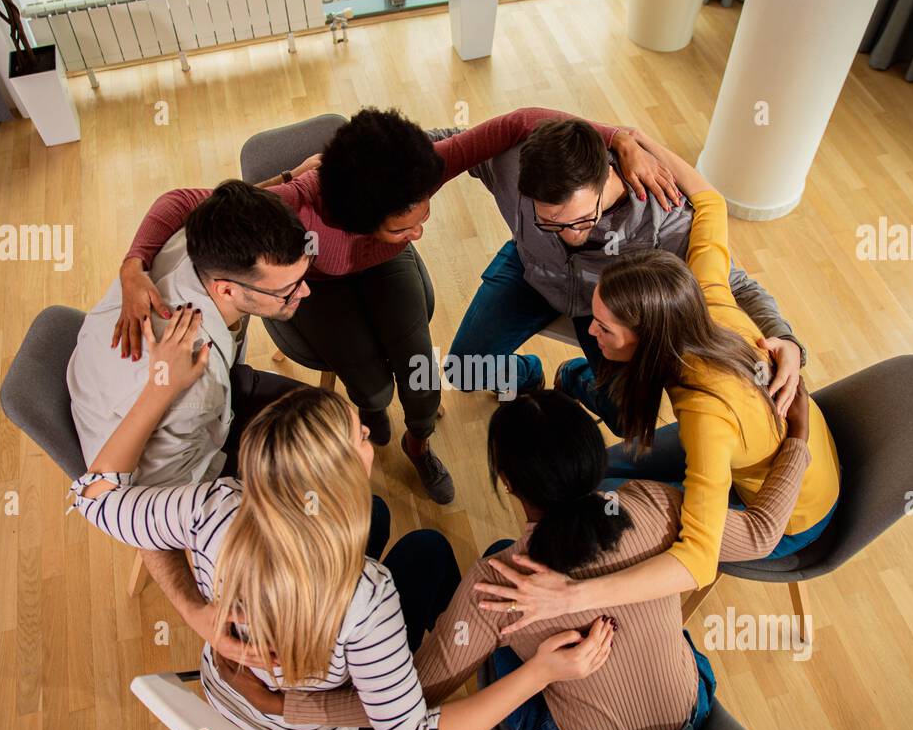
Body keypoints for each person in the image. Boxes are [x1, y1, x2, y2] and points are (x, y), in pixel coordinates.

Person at [69, 321, 614, 730]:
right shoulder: (367, 598)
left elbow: (96, 497)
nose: (369, 440)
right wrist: (541, 672)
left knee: (377, 516)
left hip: (225, 686)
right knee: (427, 550)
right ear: (337, 477)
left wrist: (158, 387)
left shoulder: (214, 504)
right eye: (360, 436)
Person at [232, 389, 812, 730]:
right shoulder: (653, 505)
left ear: (506, 482)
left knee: (497, 643)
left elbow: (416, 698)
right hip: (693, 719)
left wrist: (286, 702)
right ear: (593, 455)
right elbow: (762, 533)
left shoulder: (497, 585)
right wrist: (799, 438)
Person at [110, 107, 678, 504]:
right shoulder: (300, 198)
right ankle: (375, 424)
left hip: (381, 268)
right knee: (370, 385)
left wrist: (618, 135)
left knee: (421, 373)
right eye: (406, 225)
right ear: (362, 219)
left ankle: (419, 441)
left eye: (424, 214)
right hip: (321, 282)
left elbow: (521, 121)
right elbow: (183, 200)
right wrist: (133, 264)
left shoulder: (417, 173)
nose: (422, 230)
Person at [470, 154, 841, 629]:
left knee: (604, 512)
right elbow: (709, 202)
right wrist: (632, 140)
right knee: (594, 480)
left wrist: (571, 596)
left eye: (603, 328)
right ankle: (577, 387)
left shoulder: (706, 414)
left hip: (786, 512)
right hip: (792, 449)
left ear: (647, 340)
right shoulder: (705, 296)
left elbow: (697, 560)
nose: (591, 333)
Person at [68, 180, 314, 666]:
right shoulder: (190, 394)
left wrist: (291, 179)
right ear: (225, 288)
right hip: (169, 459)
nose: (304, 291)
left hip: (176, 406)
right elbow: (148, 508)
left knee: (321, 421)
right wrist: (194, 608)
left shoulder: (196, 234)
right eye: (288, 289)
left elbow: (180, 195)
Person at [447, 118, 806, 434]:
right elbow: (450, 147)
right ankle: (527, 374)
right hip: (530, 273)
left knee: (626, 419)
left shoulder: (666, 221)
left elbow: (733, 285)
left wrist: (783, 338)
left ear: (607, 174)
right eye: (548, 223)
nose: (566, 234)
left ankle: (574, 377)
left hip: (603, 308)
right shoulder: (511, 163)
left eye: (581, 220)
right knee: (463, 373)